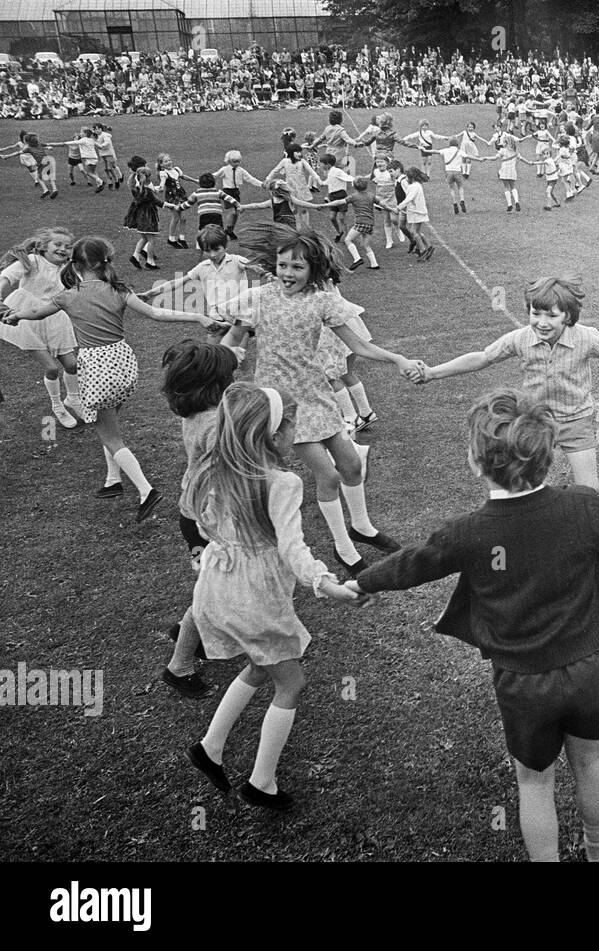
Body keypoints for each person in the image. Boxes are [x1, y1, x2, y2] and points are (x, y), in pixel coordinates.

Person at [351, 388, 599, 859]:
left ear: (475, 461)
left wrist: (363, 583)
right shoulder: (583, 505)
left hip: (522, 682)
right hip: (591, 668)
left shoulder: (465, 532)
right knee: (591, 762)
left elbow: (411, 565)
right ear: (550, 455)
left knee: (533, 781)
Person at [183, 383, 360, 810]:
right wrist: (327, 584)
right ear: (274, 435)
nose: (297, 434)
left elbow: (199, 523)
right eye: (293, 426)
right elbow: (292, 549)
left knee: (261, 665)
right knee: (292, 682)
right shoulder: (281, 482)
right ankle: (262, 782)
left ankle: (211, 747)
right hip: (255, 600)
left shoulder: (211, 469)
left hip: (214, 590)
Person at [217, 227, 419, 575]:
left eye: (297, 267)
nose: (287, 274)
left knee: (352, 466)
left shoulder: (323, 301)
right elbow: (233, 338)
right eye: (282, 266)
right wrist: (213, 368)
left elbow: (360, 346)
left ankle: (362, 527)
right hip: (282, 405)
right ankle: (344, 549)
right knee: (328, 476)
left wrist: (398, 359)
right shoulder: (259, 297)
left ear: (312, 269)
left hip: (316, 393)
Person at [414, 276, 599, 509]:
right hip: (533, 425)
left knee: (590, 492)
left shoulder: (586, 337)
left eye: (551, 315)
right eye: (535, 314)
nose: (541, 322)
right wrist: (433, 372)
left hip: (576, 421)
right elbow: (483, 357)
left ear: (568, 317)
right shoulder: (520, 338)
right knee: (520, 487)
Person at [2, 236, 226, 518]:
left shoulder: (69, 296)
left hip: (96, 369)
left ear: (75, 264)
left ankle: (146, 491)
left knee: (109, 435)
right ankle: (113, 480)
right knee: (110, 423)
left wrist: (15, 316)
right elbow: (156, 313)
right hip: (124, 364)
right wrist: (198, 318)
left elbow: (35, 312)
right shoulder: (119, 289)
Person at [158, 340, 240, 699]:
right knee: (213, 593)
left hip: (192, 515)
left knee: (214, 585)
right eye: (229, 377)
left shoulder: (194, 413)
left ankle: (188, 631)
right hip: (211, 519)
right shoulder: (216, 423)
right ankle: (180, 666)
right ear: (214, 385)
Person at [0, 228, 82, 428]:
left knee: (72, 365)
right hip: (26, 316)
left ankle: (73, 399)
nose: (63, 249)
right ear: (44, 246)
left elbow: (80, 292)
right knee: (52, 367)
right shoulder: (32, 261)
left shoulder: (69, 269)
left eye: (68, 246)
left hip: (54, 317)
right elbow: (6, 277)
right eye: (58, 245)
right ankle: (57, 406)